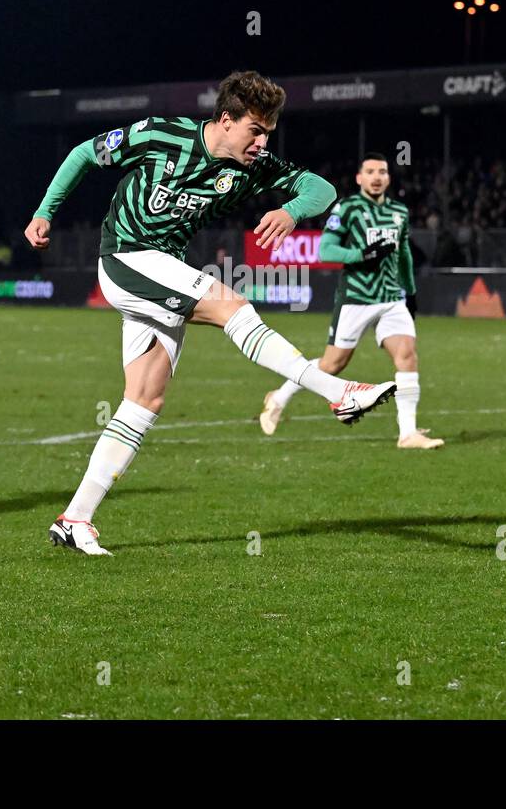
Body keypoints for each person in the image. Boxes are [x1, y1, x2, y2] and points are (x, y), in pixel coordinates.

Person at [26, 70, 396, 555]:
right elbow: (82, 155)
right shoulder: (161, 133)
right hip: (126, 257)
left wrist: (291, 211)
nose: (263, 142)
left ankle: (75, 518)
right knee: (234, 306)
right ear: (226, 119)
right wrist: (45, 211)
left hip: (164, 269)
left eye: (269, 132)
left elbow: (321, 189)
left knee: (144, 400)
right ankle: (337, 391)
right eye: (255, 131)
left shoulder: (252, 166)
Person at [260, 152, 442, 449]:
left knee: (407, 354)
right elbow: (326, 251)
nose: (376, 176)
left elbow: (404, 254)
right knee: (333, 364)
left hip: (390, 298)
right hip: (356, 298)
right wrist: (362, 254)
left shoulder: (399, 212)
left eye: (382, 171)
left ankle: (408, 433)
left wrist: (409, 292)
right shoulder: (347, 208)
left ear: (388, 177)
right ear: (359, 178)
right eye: (370, 171)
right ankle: (279, 397)